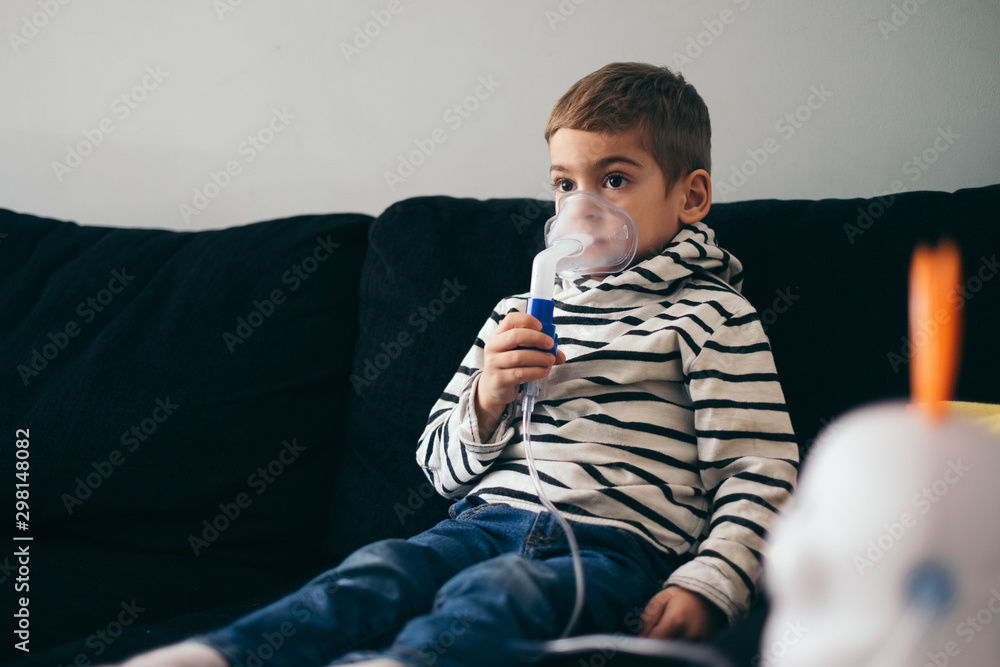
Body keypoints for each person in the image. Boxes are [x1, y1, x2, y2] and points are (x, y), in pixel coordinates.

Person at [107, 62, 799, 667]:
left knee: (501, 594)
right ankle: (215, 655)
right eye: (564, 184)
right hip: (477, 522)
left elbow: (758, 468)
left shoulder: (711, 316)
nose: (581, 208)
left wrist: (710, 583)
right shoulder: (518, 312)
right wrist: (489, 396)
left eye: (613, 179)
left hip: (612, 550)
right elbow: (439, 467)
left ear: (691, 197)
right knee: (378, 569)